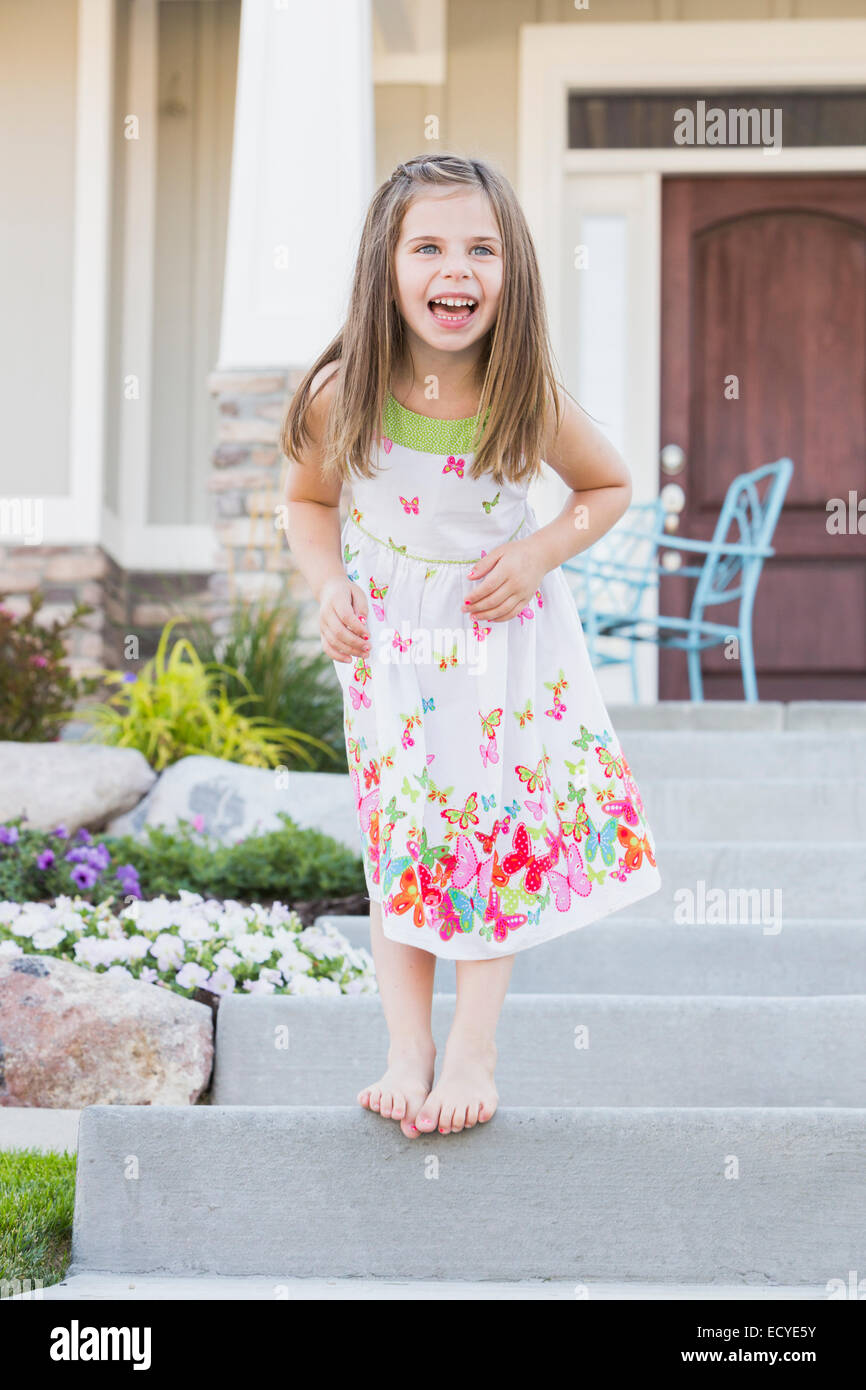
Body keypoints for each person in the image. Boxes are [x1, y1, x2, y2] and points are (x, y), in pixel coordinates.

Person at [283, 153, 662, 1139]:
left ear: (512, 271)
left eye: (480, 248)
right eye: (429, 247)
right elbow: (307, 502)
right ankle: (406, 1047)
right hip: (389, 656)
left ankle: (472, 1049)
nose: (456, 268)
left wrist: (537, 553)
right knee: (404, 842)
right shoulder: (339, 395)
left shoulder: (519, 393)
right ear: (385, 266)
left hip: (496, 651)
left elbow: (607, 488)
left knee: (484, 839)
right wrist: (327, 587)